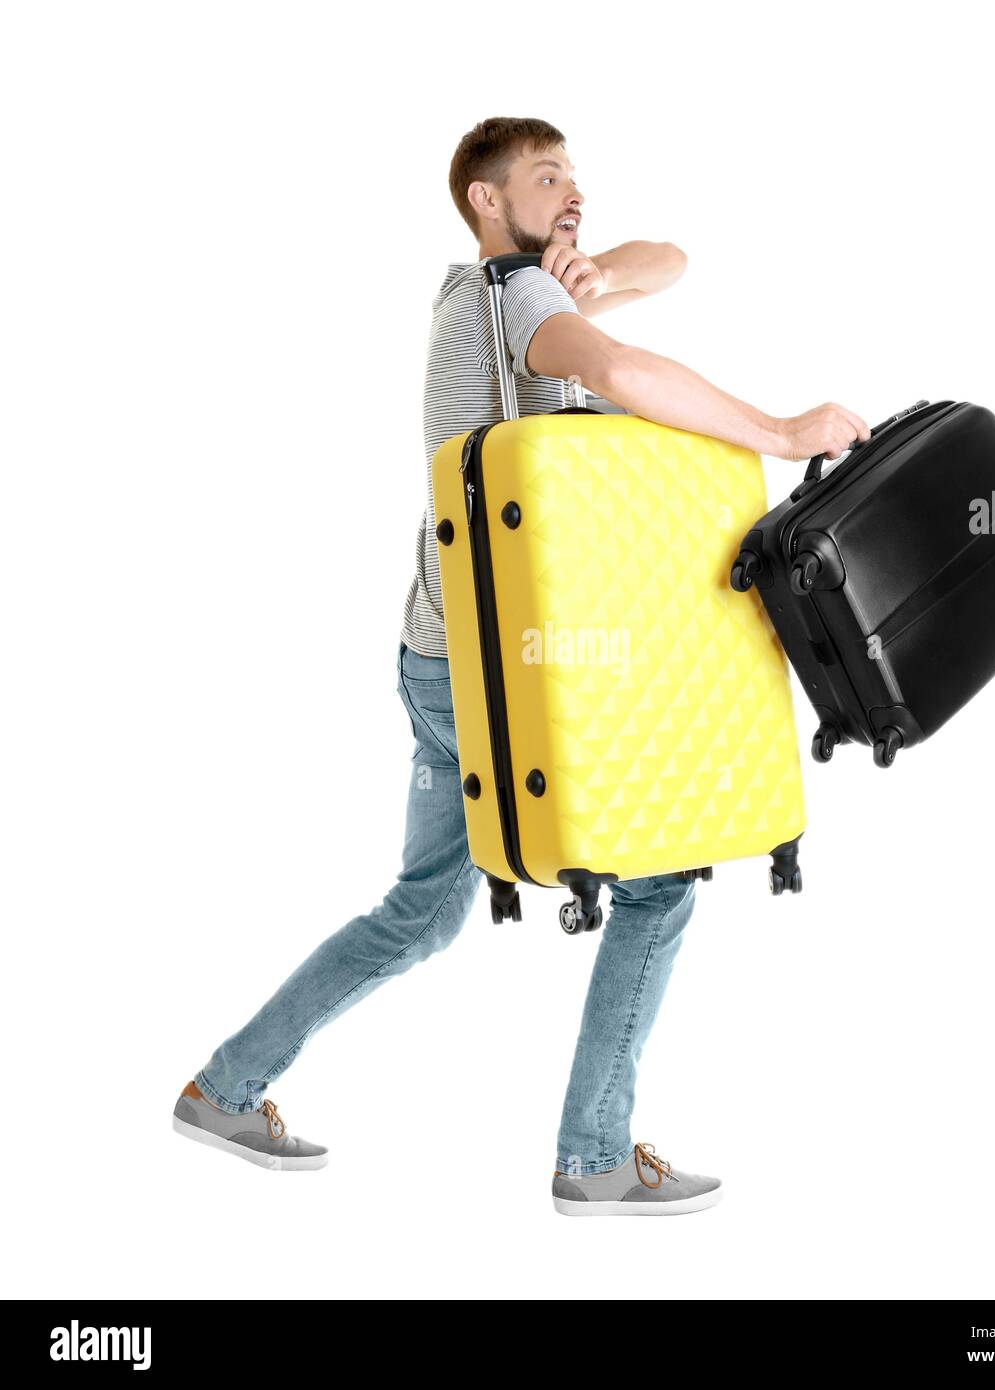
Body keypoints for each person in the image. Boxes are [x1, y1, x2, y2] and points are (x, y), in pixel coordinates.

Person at [172, 115, 870, 1216]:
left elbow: (671, 258)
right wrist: (781, 430)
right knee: (656, 886)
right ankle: (592, 1156)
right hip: (510, 678)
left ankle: (224, 1086)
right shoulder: (522, 304)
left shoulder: (484, 298)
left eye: (577, 176)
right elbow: (626, 371)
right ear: (487, 201)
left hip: (437, 659)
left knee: (421, 910)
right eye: (548, 178)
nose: (572, 191)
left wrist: (596, 267)